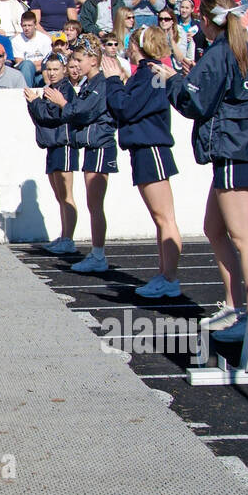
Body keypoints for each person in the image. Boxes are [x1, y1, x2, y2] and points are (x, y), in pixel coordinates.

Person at [155, 0, 248, 345]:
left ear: (207, 21)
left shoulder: (222, 52)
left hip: (233, 149)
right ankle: (236, 306)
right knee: (215, 228)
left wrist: (171, 79)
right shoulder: (245, 51)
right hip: (241, 146)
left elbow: (195, 102)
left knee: (244, 238)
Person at [102, 26, 182, 298]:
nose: (127, 47)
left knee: (165, 218)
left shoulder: (150, 73)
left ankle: (170, 278)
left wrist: (113, 80)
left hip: (151, 147)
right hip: (145, 147)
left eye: (130, 43)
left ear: (139, 45)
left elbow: (126, 107)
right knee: (161, 219)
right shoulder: (150, 72)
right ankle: (165, 275)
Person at [43, 33, 117, 274]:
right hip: (92, 146)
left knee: (95, 204)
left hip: (101, 146)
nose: (75, 64)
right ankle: (97, 253)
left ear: (93, 60)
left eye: (79, 59)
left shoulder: (100, 83)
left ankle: (98, 254)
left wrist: (64, 103)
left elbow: (83, 111)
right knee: (93, 203)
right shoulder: (90, 83)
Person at [24, 52, 78, 255]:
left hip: (64, 144)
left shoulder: (65, 90)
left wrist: (35, 102)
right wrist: (35, 103)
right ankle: (64, 236)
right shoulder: (51, 90)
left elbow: (53, 115)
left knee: (66, 195)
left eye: (56, 69)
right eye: (49, 69)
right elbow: (42, 116)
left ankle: (69, 238)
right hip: (53, 145)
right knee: (59, 196)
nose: (52, 73)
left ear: (63, 70)